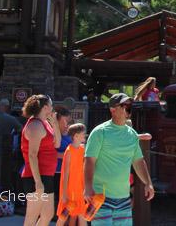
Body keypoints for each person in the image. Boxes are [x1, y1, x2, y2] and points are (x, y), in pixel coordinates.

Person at [84, 93, 154, 226]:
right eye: (123, 105)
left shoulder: (132, 134)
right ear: (113, 109)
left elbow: (138, 161)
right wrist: (87, 187)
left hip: (124, 198)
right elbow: (89, 161)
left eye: (129, 105)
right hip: (101, 196)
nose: (128, 108)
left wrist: (148, 183)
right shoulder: (100, 132)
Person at [20, 94, 61, 226]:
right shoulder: (35, 125)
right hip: (35, 177)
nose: (52, 107)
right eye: (51, 105)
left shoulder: (45, 123)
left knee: (48, 214)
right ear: (45, 107)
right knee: (31, 217)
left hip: (46, 175)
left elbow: (57, 144)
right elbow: (32, 155)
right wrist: (38, 182)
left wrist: (54, 123)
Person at [56, 123, 88, 226]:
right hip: (71, 189)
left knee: (81, 214)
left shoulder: (83, 149)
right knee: (64, 215)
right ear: (76, 136)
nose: (85, 136)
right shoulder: (69, 151)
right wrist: (64, 194)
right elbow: (65, 174)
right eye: (83, 134)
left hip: (80, 187)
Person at [54, 108, 73, 219]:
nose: (67, 124)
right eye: (65, 121)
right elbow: (51, 154)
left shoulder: (69, 133)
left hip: (68, 171)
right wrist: (69, 155)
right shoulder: (52, 134)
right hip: (56, 171)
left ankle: (64, 218)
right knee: (58, 197)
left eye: (68, 121)